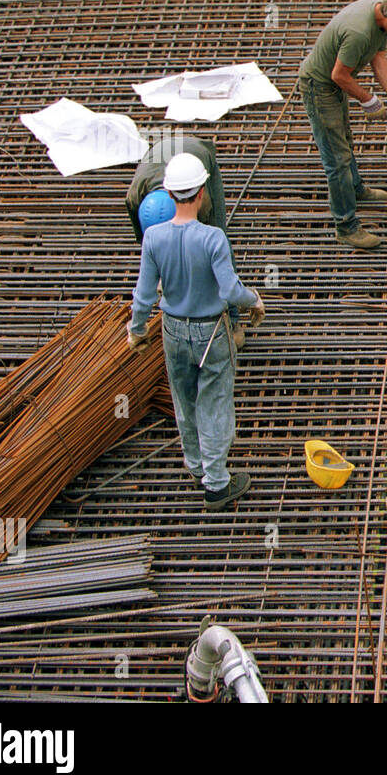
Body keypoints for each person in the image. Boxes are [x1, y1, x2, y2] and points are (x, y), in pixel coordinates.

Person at [127, 153, 266, 509]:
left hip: (173, 331)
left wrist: (136, 329)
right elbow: (230, 291)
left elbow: (143, 294)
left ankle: (196, 465)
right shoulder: (213, 238)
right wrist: (254, 301)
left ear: (169, 195)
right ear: (202, 193)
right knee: (215, 402)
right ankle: (217, 483)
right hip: (211, 333)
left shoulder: (154, 238)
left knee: (184, 399)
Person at [299, 0, 387, 250]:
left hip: (331, 86)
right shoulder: (358, 32)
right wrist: (369, 100)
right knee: (337, 159)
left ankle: (355, 189)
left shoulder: (378, 13)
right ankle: (346, 226)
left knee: (344, 140)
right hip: (320, 87)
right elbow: (339, 75)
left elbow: (378, 57)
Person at [125, 134, 247, 347]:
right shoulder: (135, 198)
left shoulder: (203, 197)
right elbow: (147, 247)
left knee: (220, 240)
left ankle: (233, 320)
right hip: (161, 153)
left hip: (197, 155)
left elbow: (215, 248)